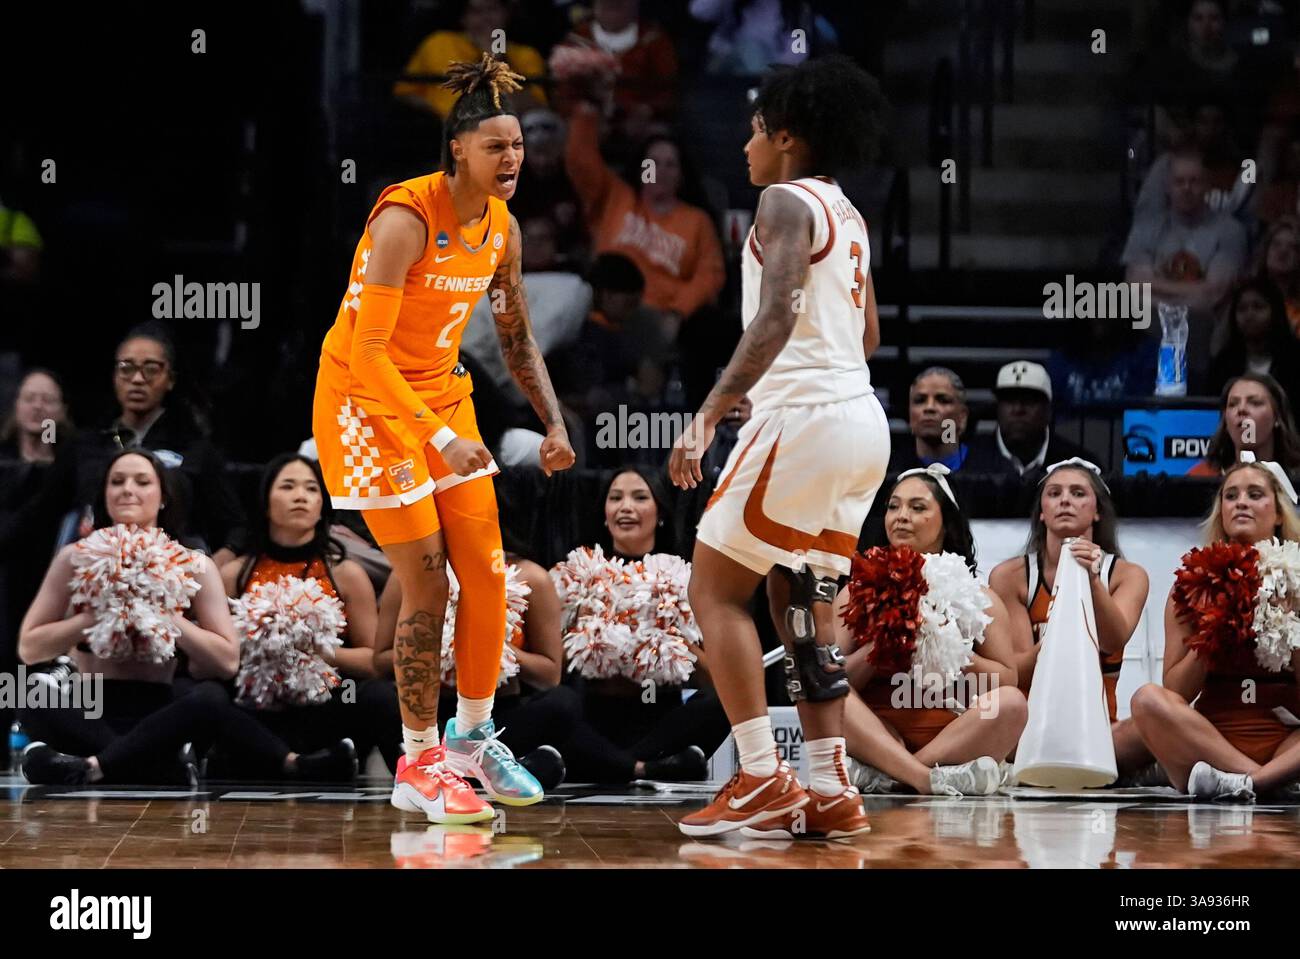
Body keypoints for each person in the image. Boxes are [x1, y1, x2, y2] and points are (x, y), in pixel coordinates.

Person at [311, 56, 576, 824]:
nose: (514, 159)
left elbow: (518, 338)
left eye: (519, 145)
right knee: (428, 581)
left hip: (440, 398)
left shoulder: (502, 228)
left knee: (489, 570)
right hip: (366, 405)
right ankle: (418, 759)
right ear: (457, 149)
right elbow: (365, 355)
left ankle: (471, 738)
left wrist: (554, 422)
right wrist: (435, 437)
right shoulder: (405, 218)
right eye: (497, 146)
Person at [668, 55, 888, 840]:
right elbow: (866, 332)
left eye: (756, 129)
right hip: (861, 420)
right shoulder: (849, 213)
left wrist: (708, 413)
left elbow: (778, 314)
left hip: (803, 416)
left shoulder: (782, 199)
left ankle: (760, 775)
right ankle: (830, 785)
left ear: (788, 136)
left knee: (715, 589)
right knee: (801, 599)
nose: (745, 144)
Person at [16, 449, 240, 785]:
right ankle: (155, 764)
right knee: (27, 691)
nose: (127, 489)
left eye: (142, 481)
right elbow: (29, 649)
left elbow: (227, 661)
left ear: (164, 496)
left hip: (160, 707)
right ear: (104, 495)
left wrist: (165, 617)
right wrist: (91, 618)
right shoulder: (74, 558)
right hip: (88, 706)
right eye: (116, 481)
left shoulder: (195, 565)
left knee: (211, 699)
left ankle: (89, 766)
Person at [833, 466, 1027, 796]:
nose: (901, 516)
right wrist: (880, 645)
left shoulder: (980, 596)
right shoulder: (855, 591)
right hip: (880, 732)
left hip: (950, 739)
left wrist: (943, 644)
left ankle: (899, 776)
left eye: (918, 507)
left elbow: (1004, 681)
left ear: (946, 522)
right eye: (893, 506)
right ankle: (923, 778)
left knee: (1012, 704)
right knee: (825, 692)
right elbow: (835, 678)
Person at [0, 324, 249, 564]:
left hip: (171, 581)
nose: (138, 379)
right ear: (115, 377)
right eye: (126, 368)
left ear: (170, 379)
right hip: (94, 574)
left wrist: (211, 572)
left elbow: (236, 528)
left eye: (151, 368)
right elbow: (37, 515)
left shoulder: (196, 450)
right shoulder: (85, 446)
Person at [1130, 457, 1300, 801]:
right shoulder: (1191, 584)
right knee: (1147, 700)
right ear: (1220, 511)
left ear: (1279, 513)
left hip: (1286, 742)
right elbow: (1176, 692)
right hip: (1211, 741)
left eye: (1255, 495)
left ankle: (1246, 783)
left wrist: (1292, 633)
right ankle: (1263, 782)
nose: (1241, 503)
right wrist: (1215, 628)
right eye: (1231, 495)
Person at [218, 453, 392, 777]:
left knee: (376, 695)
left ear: (322, 507)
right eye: (288, 486)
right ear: (265, 502)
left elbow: (373, 661)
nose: (300, 496)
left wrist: (313, 650)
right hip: (256, 708)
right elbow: (218, 658)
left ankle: (416, 779)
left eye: (311, 489)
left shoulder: (346, 573)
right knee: (207, 698)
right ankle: (289, 762)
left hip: (324, 705)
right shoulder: (234, 574)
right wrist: (263, 644)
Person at [556, 467, 731, 783]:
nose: (626, 507)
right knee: (552, 712)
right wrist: (583, 633)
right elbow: (552, 670)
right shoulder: (576, 573)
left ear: (660, 512)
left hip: (660, 719)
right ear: (604, 513)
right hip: (593, 716)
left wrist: (673, 638)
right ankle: (643, 769)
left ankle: (614, 767)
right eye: (615, 498)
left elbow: (716, 679)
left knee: (721, 705)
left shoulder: (686, 579)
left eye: (639, 497)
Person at [372, 528, 580, 789]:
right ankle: (500, 771)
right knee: (374, 696)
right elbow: (379, 661)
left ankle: (456, 769)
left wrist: (489, 646)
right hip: (429, 713)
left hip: (496, 717)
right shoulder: (408, 572)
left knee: (563, 702)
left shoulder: (531, 576)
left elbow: (550, 675)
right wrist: (430, 650)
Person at [988, 458, 1153, 776]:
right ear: (1041, 511)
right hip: (1028, 731)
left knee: (1153, 721)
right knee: (989, 715)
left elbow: (1112, 640)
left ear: (1097, 511)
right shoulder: (1011, 576)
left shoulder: (1127, 575)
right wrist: (1064, 632)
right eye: (1054, 493)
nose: (1065, 500)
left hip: (1101, 734)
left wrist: (1091, 581)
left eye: (1078, 493)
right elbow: (1018, 672)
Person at [0, 369, 73, 764]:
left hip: (51, 576)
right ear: (16, 406)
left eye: (48, 399)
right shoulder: (5, 459)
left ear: (61, 411)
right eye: (30, 398)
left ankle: (38, 735)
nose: (38, 407)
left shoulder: (69, 465)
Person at [1121, 151, 1248, 379]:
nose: (1186, 188)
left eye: (1194, 181)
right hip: (1148, 332)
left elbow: (1216, 292)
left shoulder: (1230, 230)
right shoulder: (1146, 228)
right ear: (1168, 187)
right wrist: (1194, 294)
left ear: (1208, 185)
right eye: (1179, 182)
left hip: (1205, 335)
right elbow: (1135, 283)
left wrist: (1156, 292)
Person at [392, 0, 547, 120]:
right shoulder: (439, 42)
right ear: (464, 18)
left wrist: (497, 57)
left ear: (506, 14)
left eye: (492, 9)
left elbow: (537, 110)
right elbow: (404, 93)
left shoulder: (526, 54)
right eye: (476, 11)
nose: (485, 18)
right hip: (445, 131)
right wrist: (434, 113)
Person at [967, 361, 1101, 478]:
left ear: (1048, 410)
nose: (1018, 409)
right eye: (1009, 400)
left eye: (1029, 400)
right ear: (997, 407)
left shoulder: (1079, 466)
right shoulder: (968, 460)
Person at [1207, 278, 1300, 403]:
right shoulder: (1223, 364)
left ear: (1275, 313)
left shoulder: (1294, 359)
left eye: (1258, 307)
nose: (1249, 315)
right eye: (1242, 309)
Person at [1189, 372, 1300, 476]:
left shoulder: (1295, 476)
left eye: (1255, 403)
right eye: (1233, 404)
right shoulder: (1201, 475)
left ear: (1277, 417)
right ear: (1225, 422)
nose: (1241, 409)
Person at [885, 367, 972, 474]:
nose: (929, 407)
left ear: (962, 416)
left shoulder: (985, 467)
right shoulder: (888, 470)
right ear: (910, 414)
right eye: (920, 400)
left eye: (943, 400)